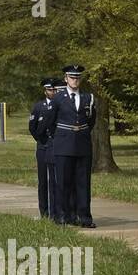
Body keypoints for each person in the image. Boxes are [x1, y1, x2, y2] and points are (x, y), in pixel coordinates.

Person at [45, 64, 96, 228]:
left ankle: (84, 217)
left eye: (77, 77)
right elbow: (50, 123)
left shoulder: (88, 98)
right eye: (72, 77)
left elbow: (91, 121)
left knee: (83, 183)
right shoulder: (58, 98)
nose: (75, 80)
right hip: (63, 144)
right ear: (66, 79)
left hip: (82, 144)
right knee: (63, 182)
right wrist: (61, 137)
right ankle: (63, 216)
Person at [28, 79, 57, 221]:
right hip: (43, 146)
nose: (52, 92)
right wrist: (41, 141)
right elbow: (32, 127)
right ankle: (44, 212)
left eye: (54, 90)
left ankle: (55, 213)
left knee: (55, 181)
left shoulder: (60, 105)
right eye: (50, 90)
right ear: (45, 91)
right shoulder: (39, 106)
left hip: (56, 145)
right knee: (43, 181)